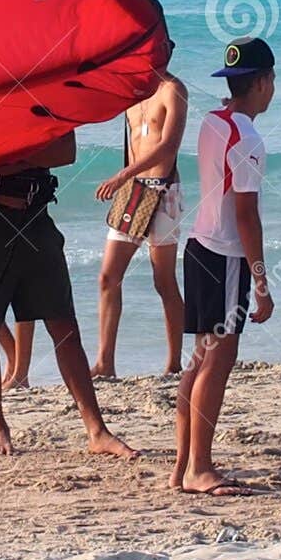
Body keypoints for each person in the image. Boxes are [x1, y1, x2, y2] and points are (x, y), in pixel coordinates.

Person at [0, 132, 137, 458]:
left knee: (64, 325)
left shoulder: (41, 104)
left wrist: (8, 159)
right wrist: (28, 154)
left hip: (36, 217)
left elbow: (65, 152)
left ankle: (97, 432)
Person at [174, 37, 275, 496]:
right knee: (218, 359)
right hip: (224, 254)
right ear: (263, 82)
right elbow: (246, 215)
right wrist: (262, 282)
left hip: (198, 246)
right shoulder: (248, 138)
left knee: (200, 358)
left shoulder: (213, 121)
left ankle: (183, 465)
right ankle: (199, 467)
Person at [92, 72, 189, 378]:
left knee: (163, 281)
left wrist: (122, 174)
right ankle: (105, 362)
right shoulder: (131, 92)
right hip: (133, 192)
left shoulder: (173, 90)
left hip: (163, 191)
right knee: (108, 277)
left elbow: (169, 145)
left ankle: (174, 363)